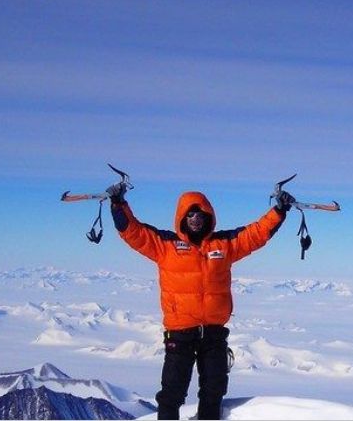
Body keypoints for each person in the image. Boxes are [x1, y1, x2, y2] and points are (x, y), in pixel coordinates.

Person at [107, 180, 294, 420]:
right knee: (171, 394)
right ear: (182, 218)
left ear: (208, 216)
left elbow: (256, 234)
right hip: (180, 333)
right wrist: (118, 203)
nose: (195, 218)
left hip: (214, 334)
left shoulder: (224, 244)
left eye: (200, 213)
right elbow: (133, 232)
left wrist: (279, 211)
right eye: (190, 213)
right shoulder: (165, 245)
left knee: (213, 391)